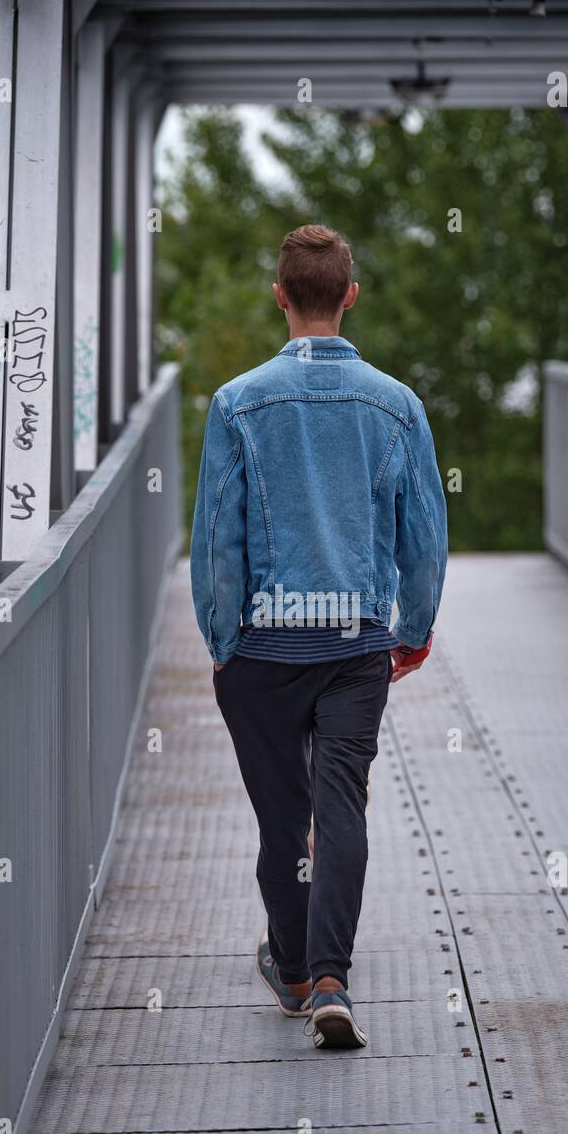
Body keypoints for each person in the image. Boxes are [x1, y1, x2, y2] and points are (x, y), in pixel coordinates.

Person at [190, 224, 447, 1048]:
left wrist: (221, 638)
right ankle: (333, 978)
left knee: (281, 818)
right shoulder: (397, 404)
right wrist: (413, 626)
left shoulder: (236, 402)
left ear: (279, 296)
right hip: (354, 645)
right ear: (349, 295)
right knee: (341, 808)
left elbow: (215, 542)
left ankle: (293, 970)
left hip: (264, 649)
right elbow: (423, 535)